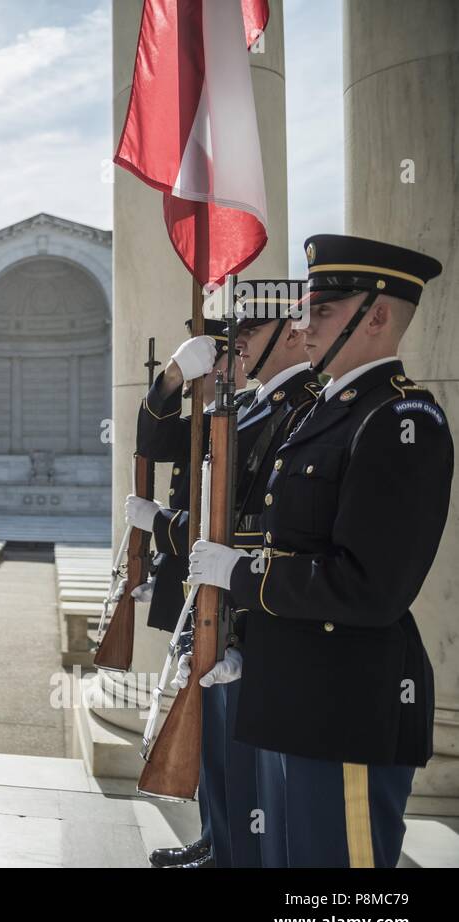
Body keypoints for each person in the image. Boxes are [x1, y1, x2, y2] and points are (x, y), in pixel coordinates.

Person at [189, 235, 448, 867]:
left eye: (323, 311)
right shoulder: (322, 414)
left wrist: (243, 576)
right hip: (296, 691)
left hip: (346, 702)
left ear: (377, 316)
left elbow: (370, 587)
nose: (303, 326)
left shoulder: (398, 419)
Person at [132, 281, 324, 867]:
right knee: (217, 745)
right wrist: (169, 380)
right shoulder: (251, 406)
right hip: (220, 595)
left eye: (247, 334)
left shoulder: (295, 406)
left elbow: (247, 519)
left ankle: (233, 850)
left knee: (245, 757)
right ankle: (219, 842)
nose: (236, 346)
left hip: (250, 604)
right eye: (231, 338)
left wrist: (164, 528)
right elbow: (157, 442)